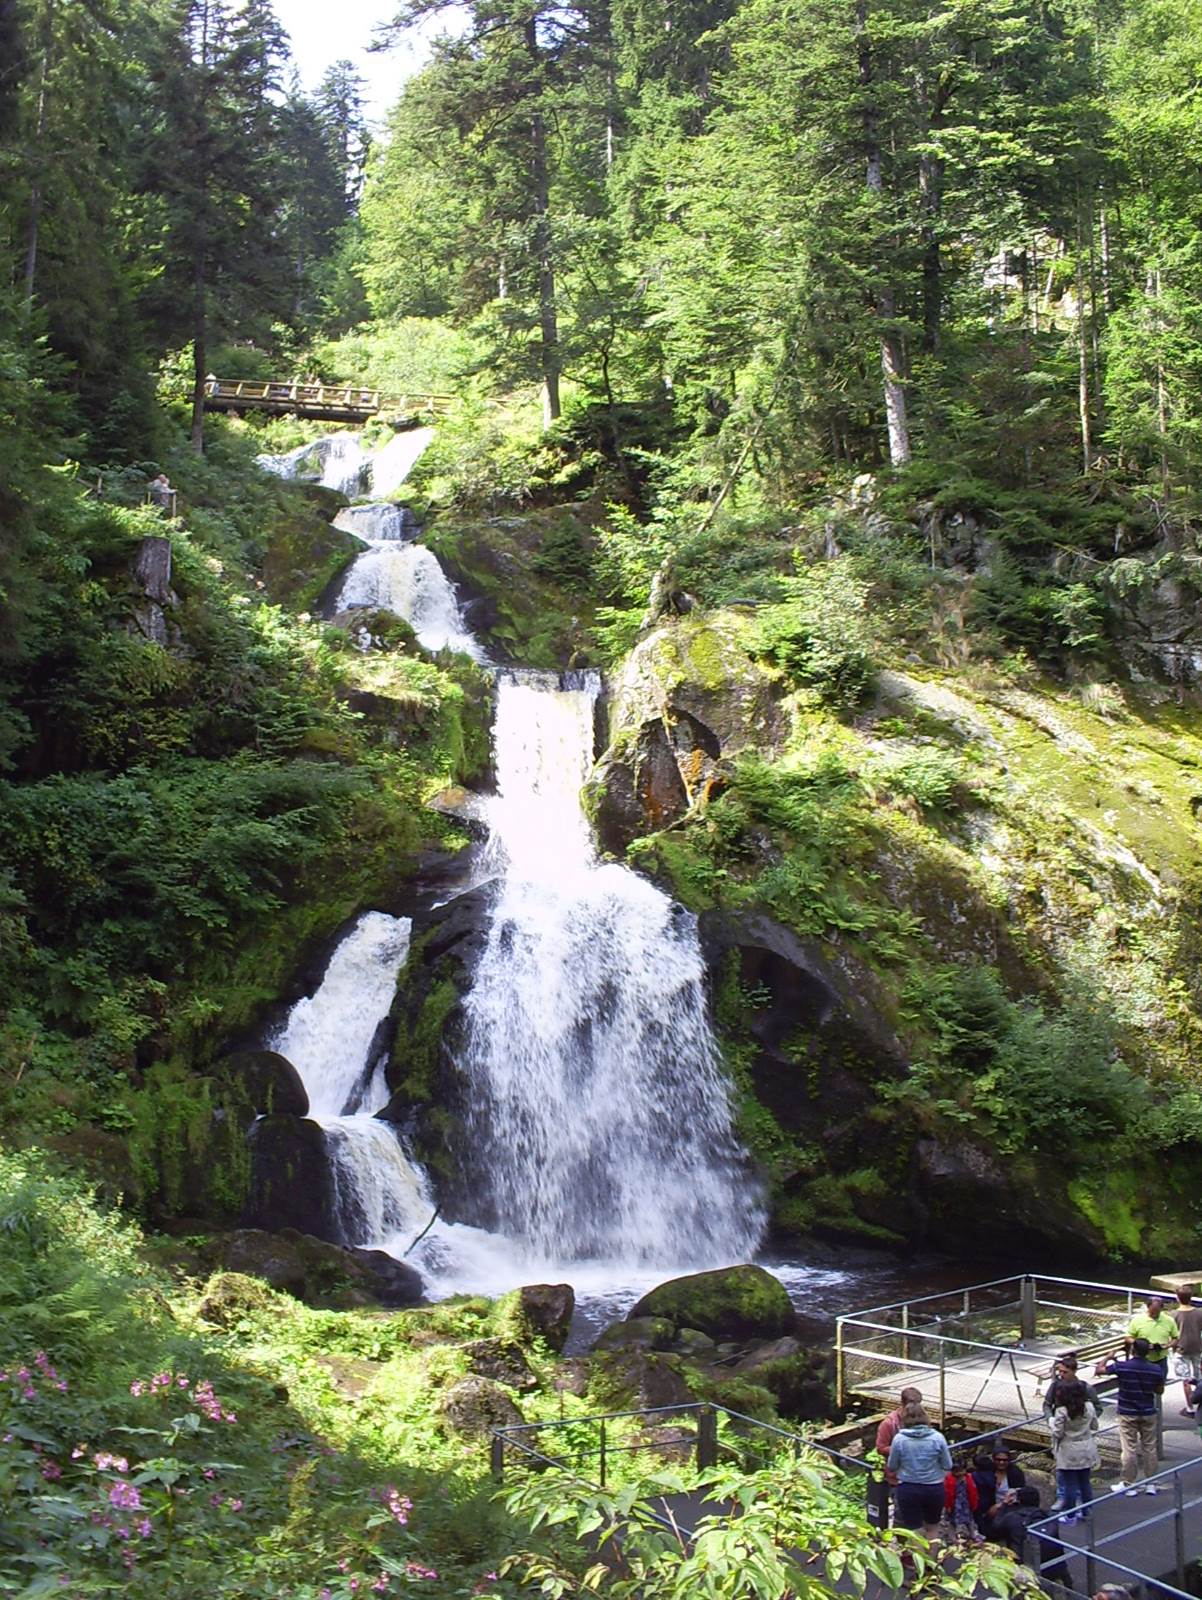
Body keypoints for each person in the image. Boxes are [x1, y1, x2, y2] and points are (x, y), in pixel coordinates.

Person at [1096, 1336, 1165, 1493]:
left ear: (1133, 1350)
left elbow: (1099, 1370)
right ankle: (1151, 1483)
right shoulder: (1155, 1369)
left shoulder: (1122, 1366)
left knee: (1129, 1448)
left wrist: (1108, 1356)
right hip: (1148, 1411)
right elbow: (1159, 1390)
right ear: (1148, 1352)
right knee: (1149, 1447)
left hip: (1127, 1412)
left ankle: (1128, 1484)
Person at [886, 1400, 952, 1540]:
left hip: (908, 1488)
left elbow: (892, 1466)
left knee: (915, 1531)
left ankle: (918, 1562)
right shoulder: (937, 1438)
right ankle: (932, 1561)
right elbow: (947, 1465)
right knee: (933, 1529)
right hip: (934, 1488)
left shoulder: (899, 1439)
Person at [1050, 1379, 1100, 1522]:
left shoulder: (1062, 1411)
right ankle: (1086, 1510)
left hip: (1068, 1450)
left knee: (1070, 1484)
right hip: (1086, 1447)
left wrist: (1052, 1424)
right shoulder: (1089, 1406)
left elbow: (1058, 1433)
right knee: (1085, 1482)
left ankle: (1070, 1514)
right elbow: (1095, 1426)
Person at [875, 1386, 923, 1488]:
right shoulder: (889, 1423)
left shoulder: (920, 1419)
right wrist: (904, 1449)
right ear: (902, 1403)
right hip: (898, 1478)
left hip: (919, 1475)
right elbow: (881, 1448)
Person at [1043, 1354, 1104, 1421]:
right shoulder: (1055, 1386)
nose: (1061, 1374)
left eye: (1065, 1372)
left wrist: (1087, 1422)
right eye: (1060, 1371)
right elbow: (1047, 1404)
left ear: (1074, 1371)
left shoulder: (1086, 1387)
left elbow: (1098, 1408)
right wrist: (1050, 1420)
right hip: (1059, 1426)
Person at [1127, 1294, 1178, 1370]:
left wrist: (1168, 1345)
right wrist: (1142, 1345)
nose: (1154, 1314)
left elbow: (1175, 1338)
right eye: (1152, 1311)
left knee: (1161, 1381)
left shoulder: (1169, 1320)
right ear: (1148, 1307)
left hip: (1161, 1359)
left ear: (1161, 1309)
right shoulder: (1137, 1320)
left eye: (1157, 1312)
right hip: (1142, 1360)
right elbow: (1128, 1338)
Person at [1172, 1285, 1201, 1416]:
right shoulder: (1199, 1312)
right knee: (1198, 1377)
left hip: (1181, 1349)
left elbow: (1171, 1334)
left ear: (1178, 1298)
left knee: (1185, 1379)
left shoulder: (1174, 1314)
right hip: (1197, 1348)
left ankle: (1190, 1408)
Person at [943, 1459, 982, 1544]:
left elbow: (973, 1491)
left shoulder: (968, 1478)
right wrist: (948, 1505)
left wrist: (974, 1502)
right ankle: (952, 1537)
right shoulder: (949, 1479)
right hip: (954, 1504)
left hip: (966, 1502)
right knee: (952, 1521)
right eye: (956, 1471)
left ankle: (973, 1534)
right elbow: (947, 1493)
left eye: (961, 1471)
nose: (959, 1473)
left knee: (970, 1520)